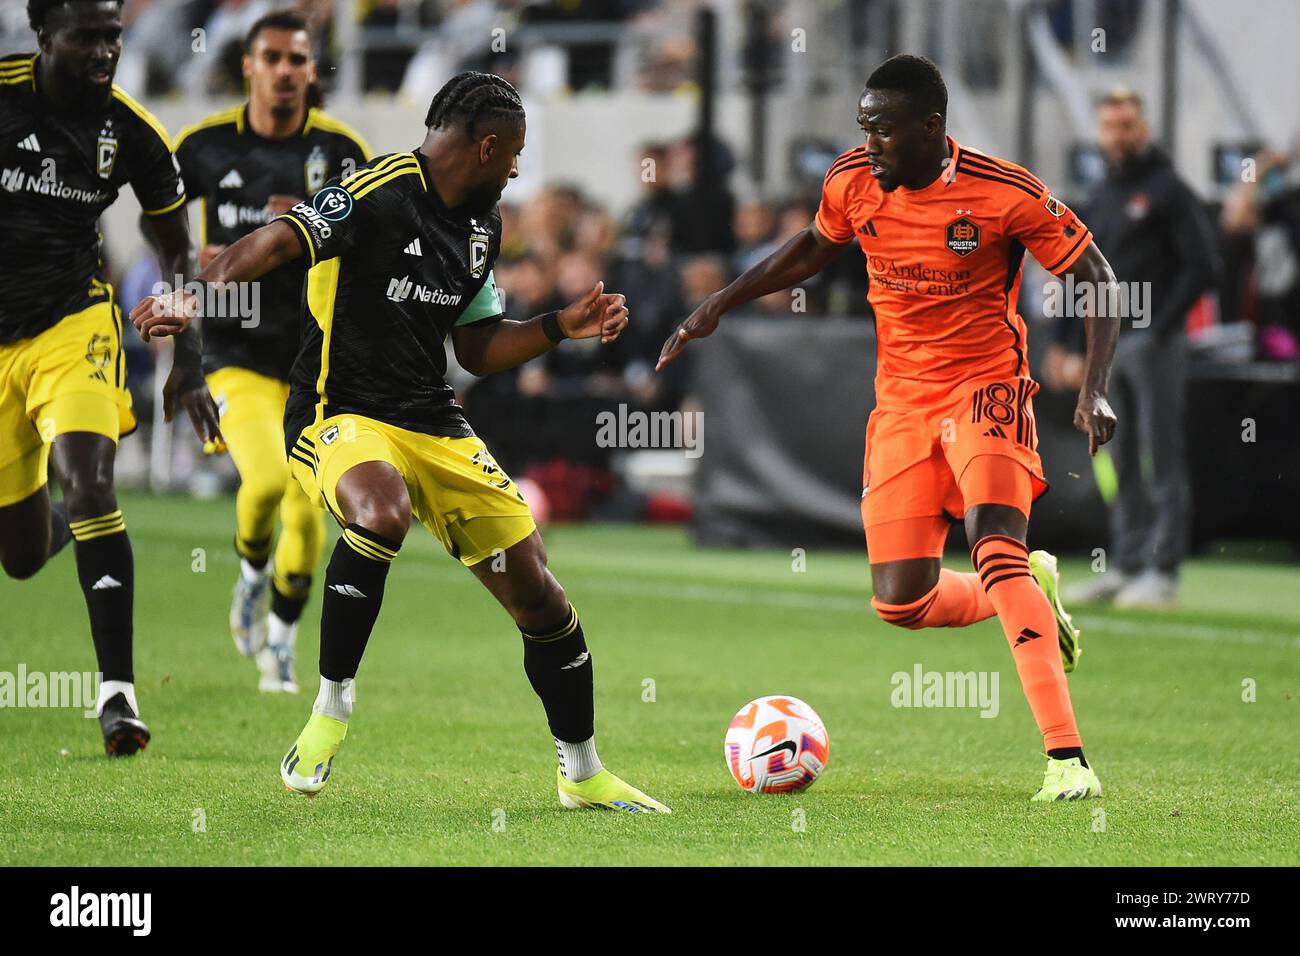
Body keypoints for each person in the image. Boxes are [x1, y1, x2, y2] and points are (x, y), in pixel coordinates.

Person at [132, 71, 669, 813]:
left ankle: (580, 772)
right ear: (485, 145)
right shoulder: (373, 191)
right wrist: (193, 292)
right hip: (336, 411)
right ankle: (329, 710)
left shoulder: (484, 224)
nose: (516, 168)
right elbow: (271, 241)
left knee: (539, 593)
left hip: (433, 420)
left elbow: (476, 348)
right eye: (512, 154)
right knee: (378, 511)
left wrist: (556, 327)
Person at [658, 54, 1120, 802]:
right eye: (864, 128)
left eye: (883, 131)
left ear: (932, 129)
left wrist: (1094, 387)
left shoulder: (1006, 192)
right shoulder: (852, 179)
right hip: (901, 404)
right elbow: (814, 246)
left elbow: (1097, 275)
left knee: (995, 542)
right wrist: (721, 304)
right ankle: (1026, 587)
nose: (869, 144)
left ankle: (1067, 760)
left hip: (987, 389)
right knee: (901, 601)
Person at [0, 0, 220, 755]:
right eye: (86, 38)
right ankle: (55, 531)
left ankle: (118, 698)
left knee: (91, 482)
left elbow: (179, 251)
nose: (104, 53)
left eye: (113, 37)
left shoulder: (130, 131)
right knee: (22, 557)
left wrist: (188, 359)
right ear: (43, 37)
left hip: (74, 324)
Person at [174, 9, 371, 692]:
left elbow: (370, 240)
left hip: (313, 369)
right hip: (235, 355)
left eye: (299, 59)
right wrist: (188, 259)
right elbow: (158, 214)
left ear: (312, 71)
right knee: (264, 486)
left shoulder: (344, 154)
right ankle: (251, 574)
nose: (287, 70)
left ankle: (281, 640)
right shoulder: (203, 147)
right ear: (249, 66)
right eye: (274, 58)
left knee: (308, 513)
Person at [1052, 88, 1218, 608]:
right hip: (1109, 348)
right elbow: (1079, 270)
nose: (1118, 136)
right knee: (1117, 458)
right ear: (1100, 133)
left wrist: (1162, 327)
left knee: (1160, 454)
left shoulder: (1168, 191)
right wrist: (1063, 340)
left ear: (1142, 129)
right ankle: (1126, 565)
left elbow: (1203, 265)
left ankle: (1162, 572)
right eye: (1109, 127)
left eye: (1126, 126)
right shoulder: (1101, 193)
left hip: (1152, 344)